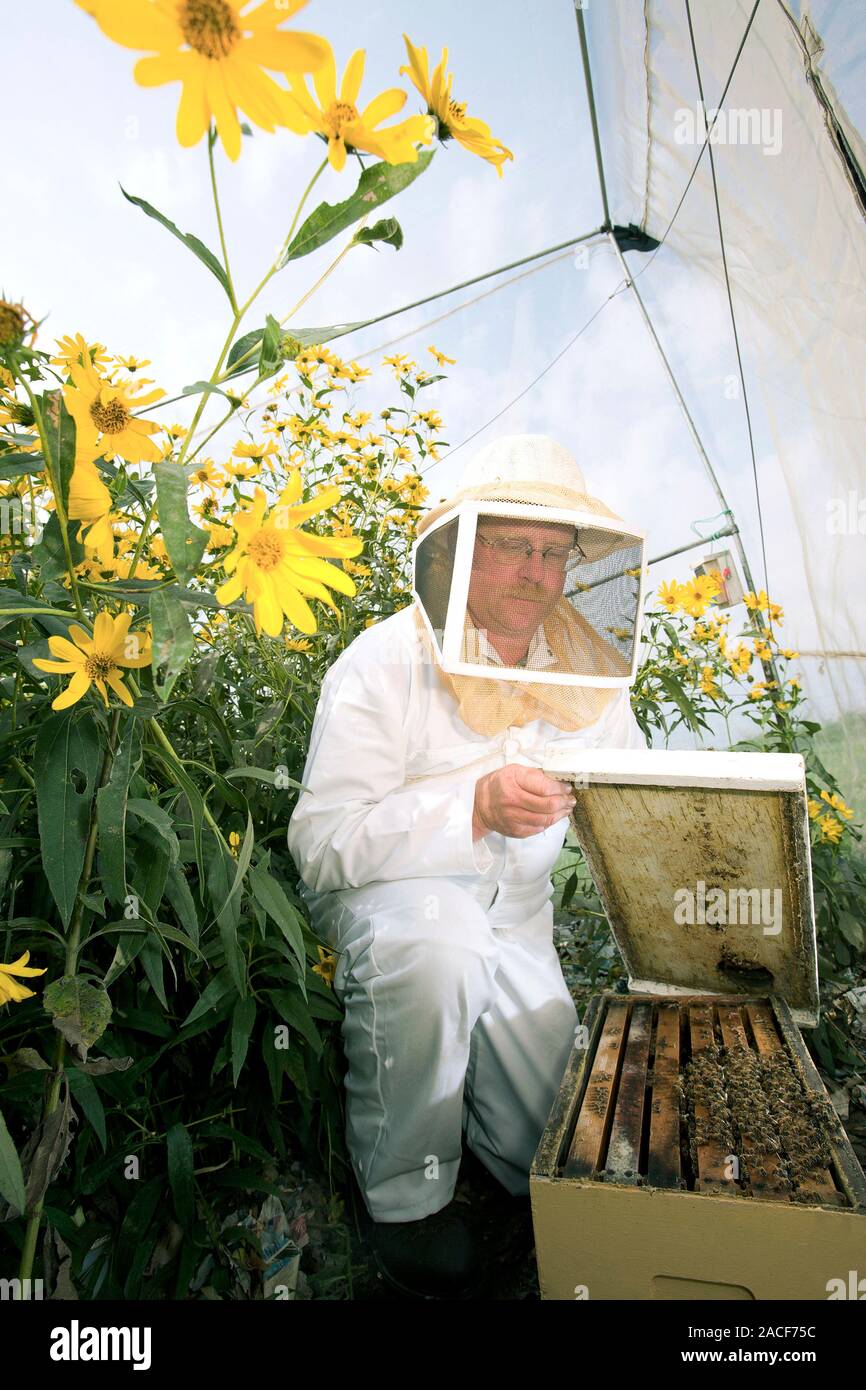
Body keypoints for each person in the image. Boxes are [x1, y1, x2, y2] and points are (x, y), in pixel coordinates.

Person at [286, 433, 647, 1298]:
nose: (535, 573)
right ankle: (405, 1196)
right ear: (457, 548)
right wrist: (472, 809)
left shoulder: (587, 676)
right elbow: (323, 843)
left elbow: (633, 796)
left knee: (562, 1151)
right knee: (440, 948)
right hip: (393, 908)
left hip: (517, 923)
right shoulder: (383, 662)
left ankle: (493, 1154)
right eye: (513, 546)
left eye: (553, 553)